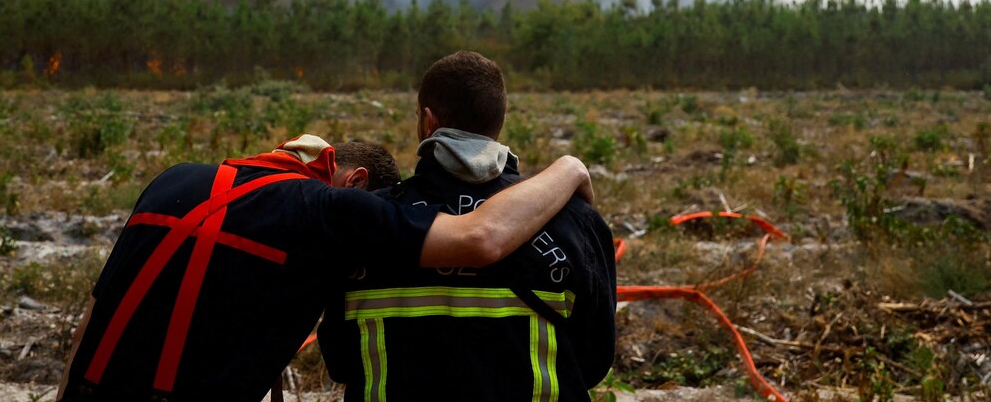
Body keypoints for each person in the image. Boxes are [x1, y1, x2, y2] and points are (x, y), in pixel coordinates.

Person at [56, 133, 593, 402]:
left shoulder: (176, 180)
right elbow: (482, 237)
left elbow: (92, 319)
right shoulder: (328, 210)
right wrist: (568, 170)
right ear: (357, 183)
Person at [319, 51, 617, 401]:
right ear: (500, 120)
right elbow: (594, 360)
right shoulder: (575, 221)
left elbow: (339, 360)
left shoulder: (369, 222)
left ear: (428, 122)